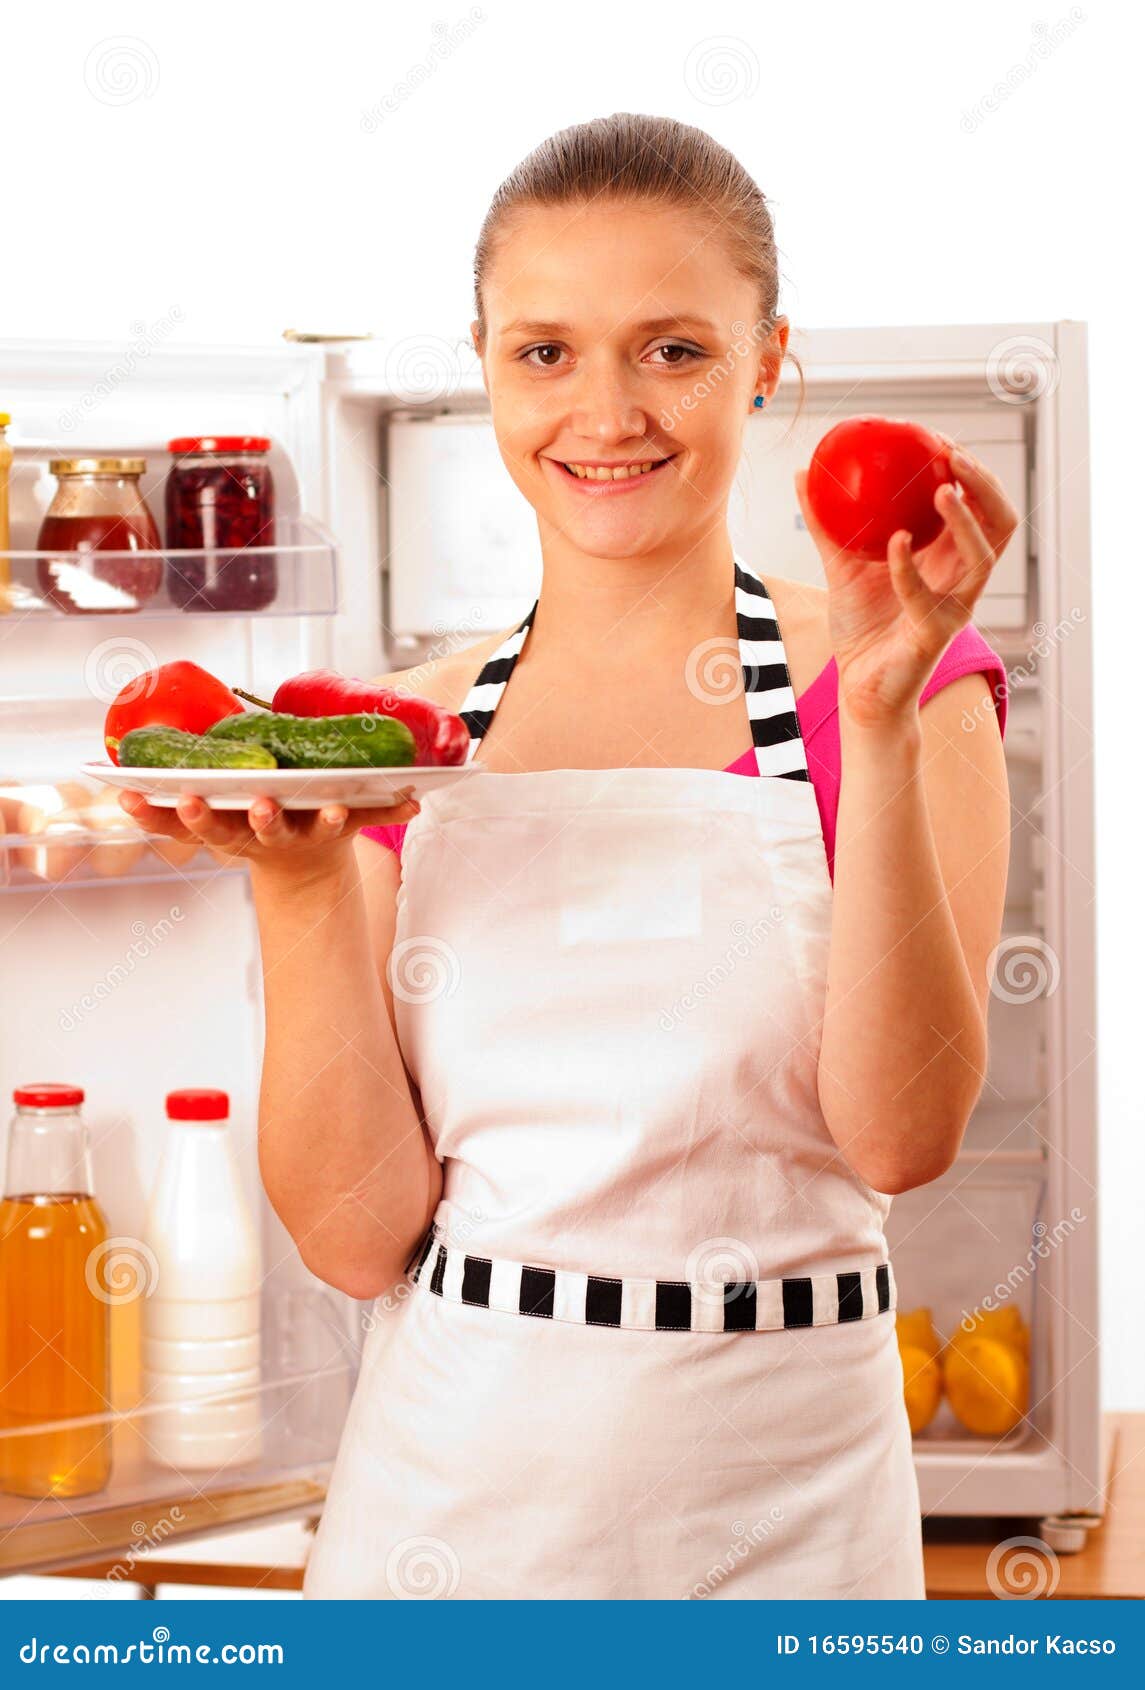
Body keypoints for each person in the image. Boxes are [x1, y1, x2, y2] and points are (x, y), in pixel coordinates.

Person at [122, 113, 1015, 1600]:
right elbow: (356, 1239)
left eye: (673, 350)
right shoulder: (403, 737)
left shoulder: (900, 686)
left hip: (791, 1524)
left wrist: (873, 716)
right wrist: (296, 884)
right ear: (484, 363)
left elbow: (898, 1141)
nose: (606, 412)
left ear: (768, 362)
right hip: (449, 1517)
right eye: (545, 351)